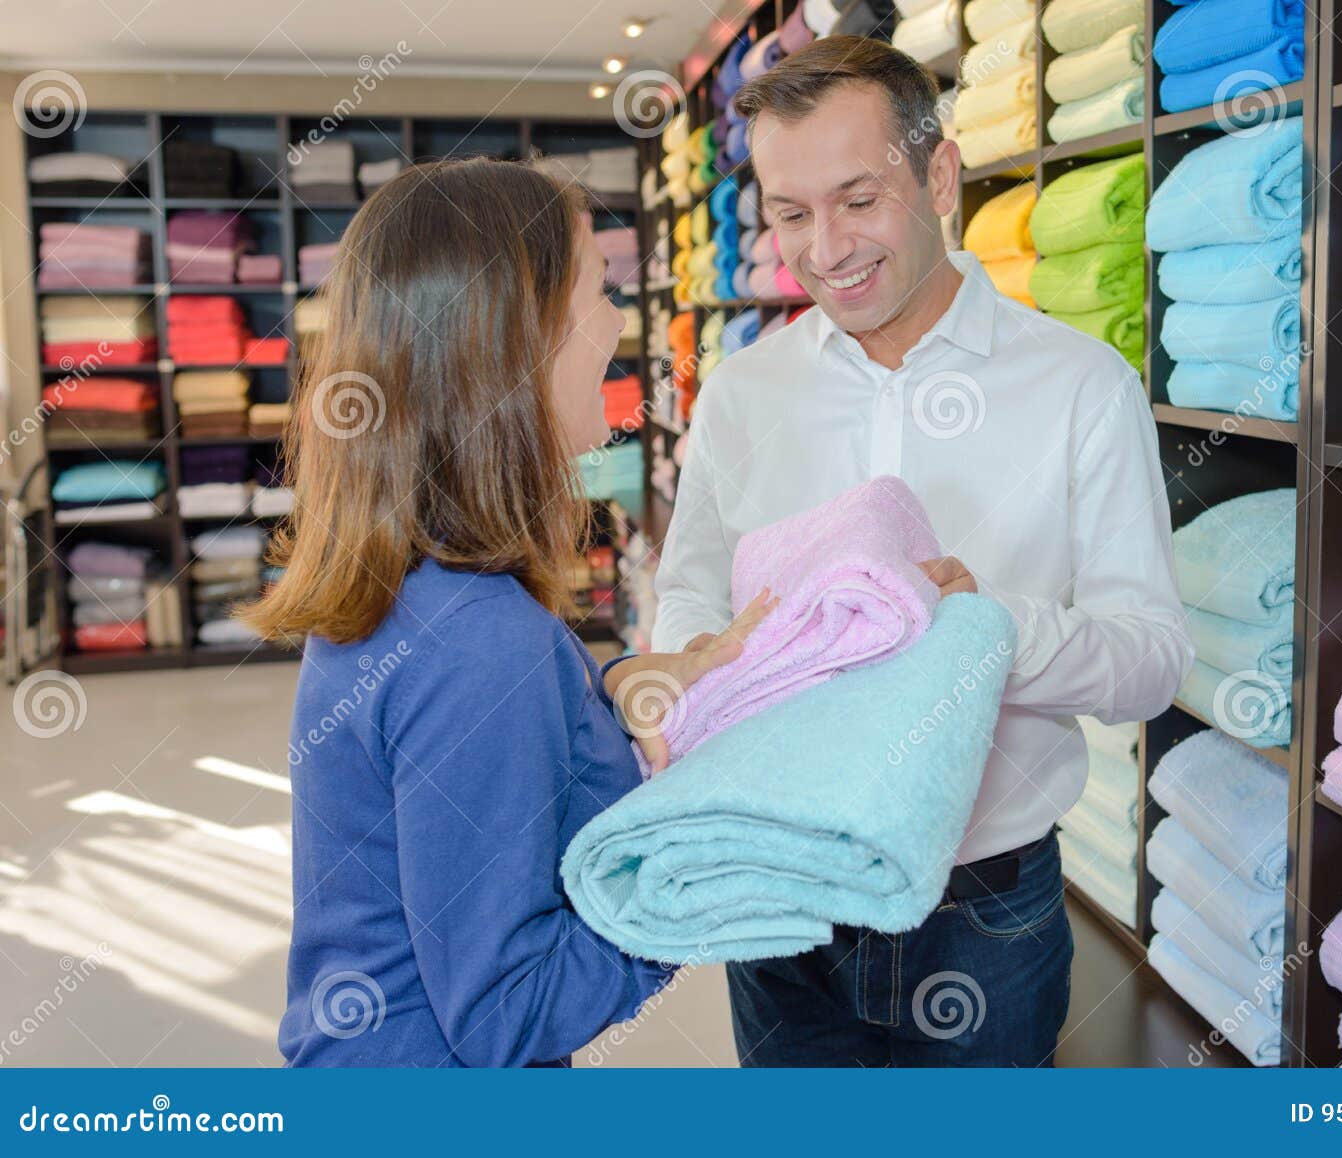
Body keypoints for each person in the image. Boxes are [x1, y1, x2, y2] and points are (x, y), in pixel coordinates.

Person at [648, 38, 1193, 1066]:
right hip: (782, 887)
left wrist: (979, 631)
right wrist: (698, 665)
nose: (825, 249)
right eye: (789, 213)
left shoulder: (1080, 387)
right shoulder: (743, 395)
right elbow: (686, 591)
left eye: (859, 199)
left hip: (982, 906)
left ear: (938, 175)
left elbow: (1150, 658)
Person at [244, 158, 768, 1066]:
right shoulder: (484, 647)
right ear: (516, 340)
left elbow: (442, 745)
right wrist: (706, 872)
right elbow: (511, 1013)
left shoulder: (414, 588)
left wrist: (611, 690)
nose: (615, 324)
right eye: (597, 292)